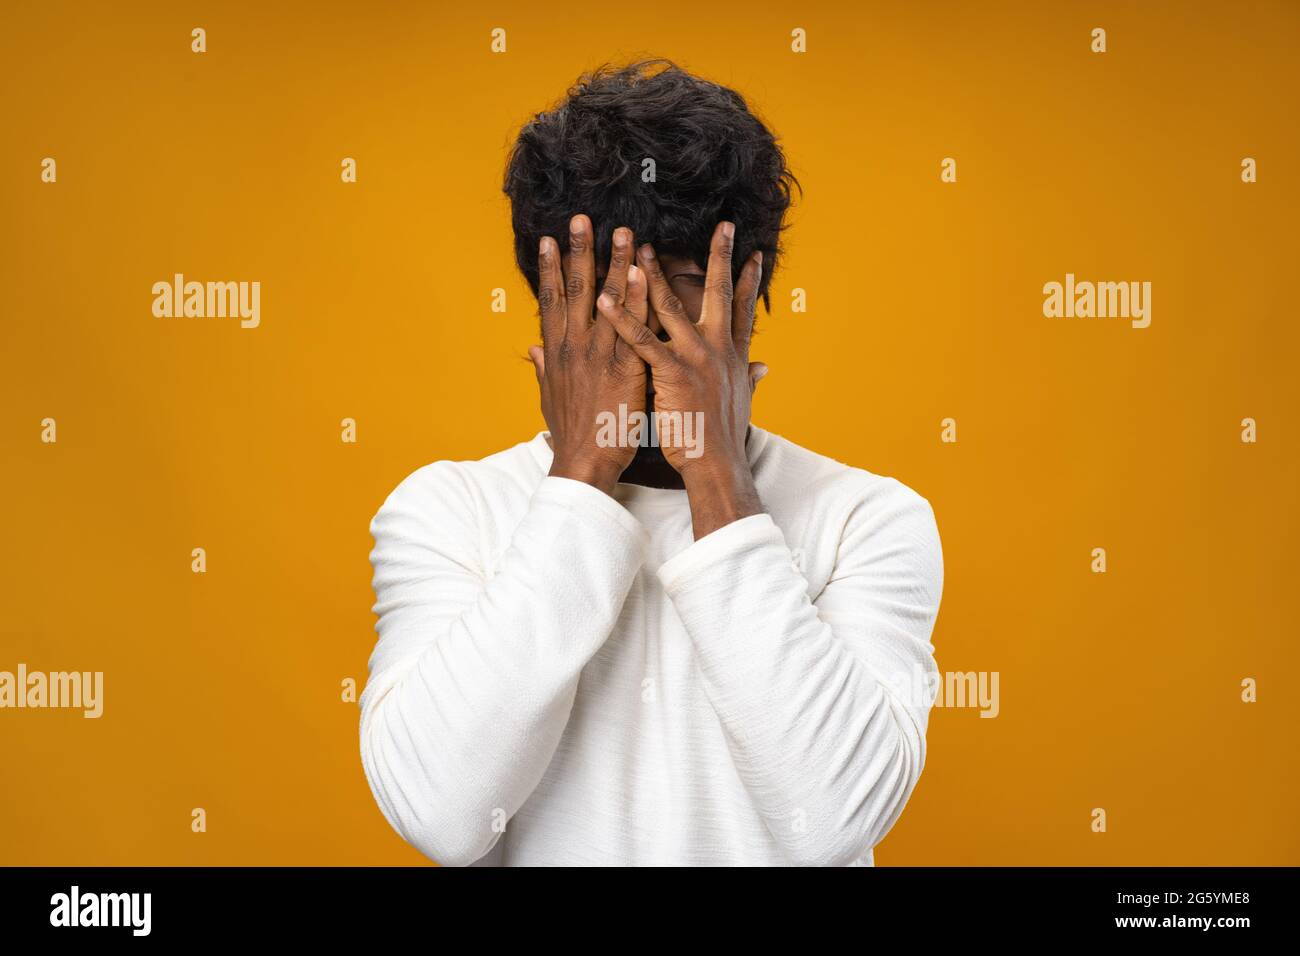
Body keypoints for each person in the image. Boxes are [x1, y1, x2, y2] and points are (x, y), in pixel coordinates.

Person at [359, 60, 943, 866]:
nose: (643, 336)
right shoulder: (447, 510)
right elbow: (442, 816)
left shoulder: (867, 519)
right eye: (606, 299)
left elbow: (836, 820)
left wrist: (716, 477)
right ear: (547, 306)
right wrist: (581, 476)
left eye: (682, 294)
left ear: (748, 299)